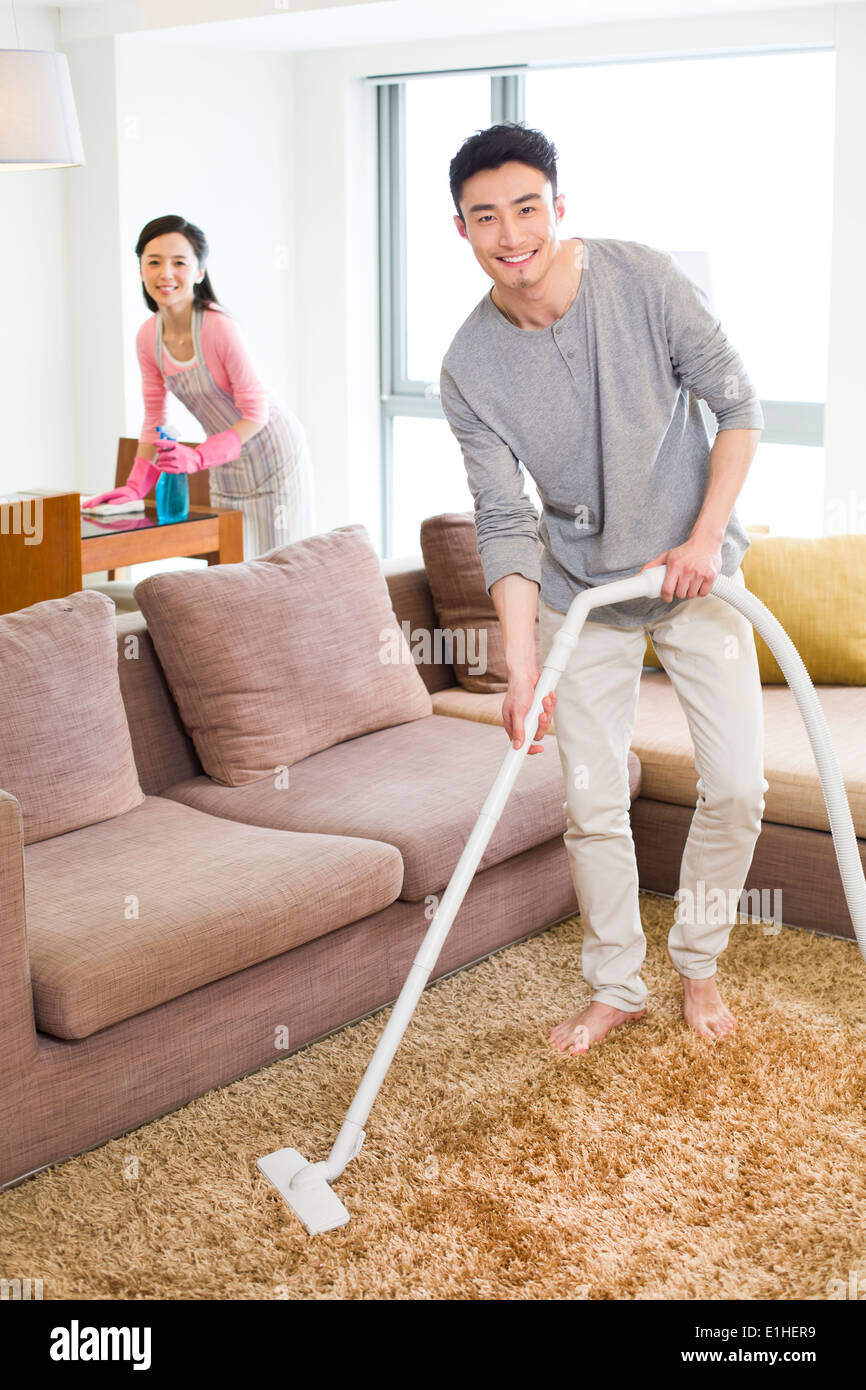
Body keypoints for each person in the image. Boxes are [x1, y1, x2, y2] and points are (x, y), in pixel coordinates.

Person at [440, 123, 768, 1055]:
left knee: (738, 786)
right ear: (460, 228)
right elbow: (504, 521)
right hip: (582, 590)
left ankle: (696, 964)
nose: (511, 235)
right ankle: (616, 983)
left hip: (695, 575)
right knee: (591, 801)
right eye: (486, 217)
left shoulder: (643, 282)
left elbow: (738, 405)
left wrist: (705, 538)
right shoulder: (470, 367)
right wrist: (520, 665)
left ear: (558, 206)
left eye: (527, 209)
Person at [83, 214, 314, 557]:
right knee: (231, 576)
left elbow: (256, 413)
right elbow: (154, 421)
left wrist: (198, 456)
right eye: (154, 262)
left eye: (179, 262)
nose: (166, 273)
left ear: (200, 272)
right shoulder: (148, 336)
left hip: (275, 459)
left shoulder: (219, 328)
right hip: (225, 467)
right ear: (141, 269)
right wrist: (135, 487)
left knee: (281, 574)